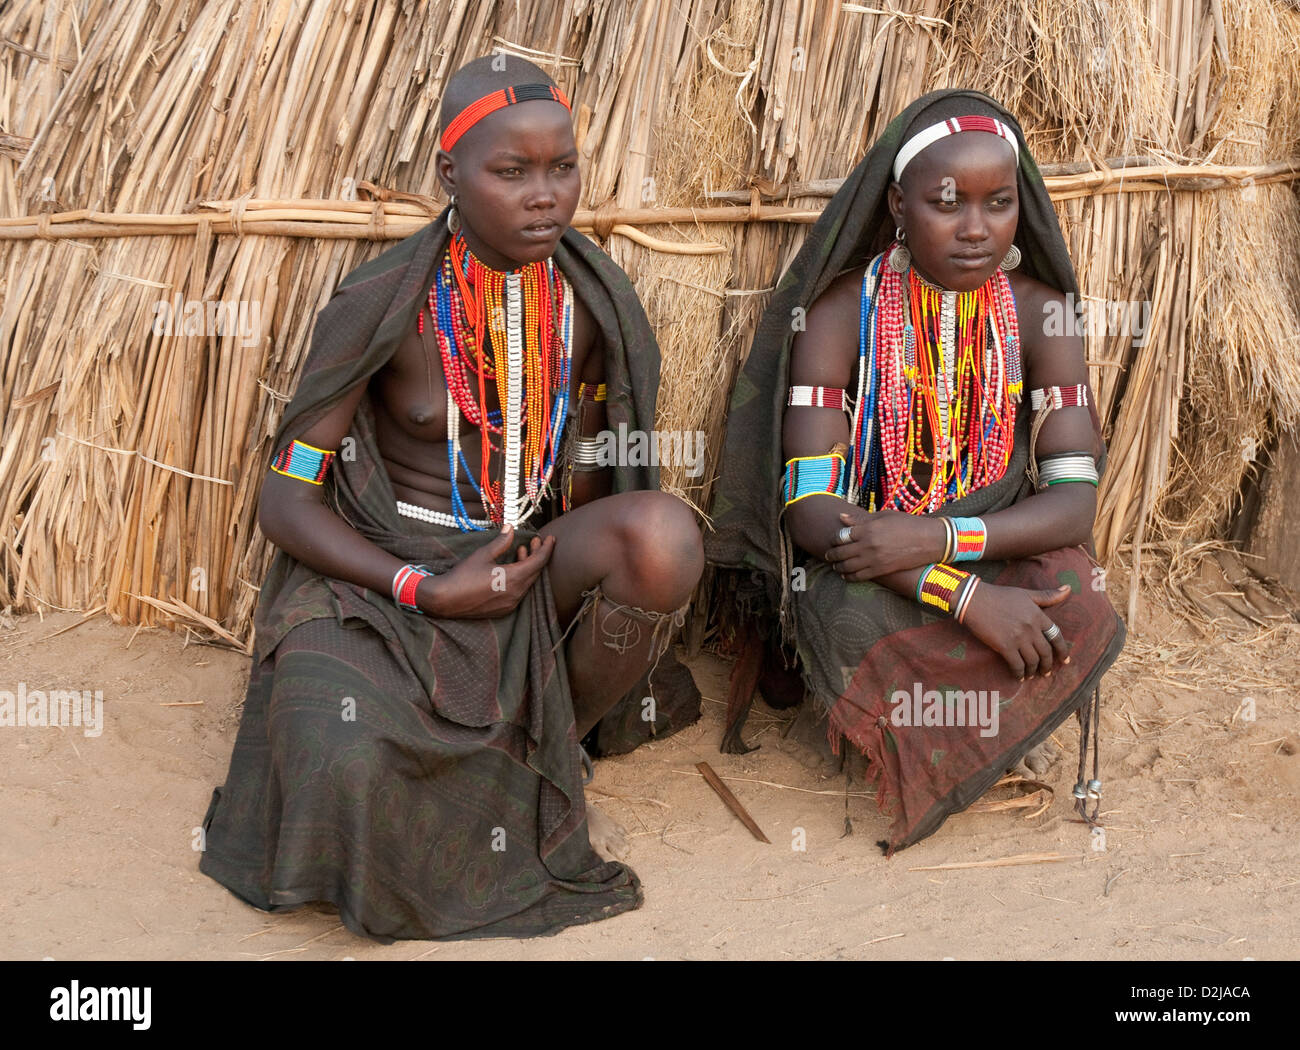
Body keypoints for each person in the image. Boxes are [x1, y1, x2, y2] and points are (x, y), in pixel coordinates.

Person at [199, 54, 705, 941]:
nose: (545, 196)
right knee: (340, 759)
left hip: (516, 569)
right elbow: (285, 506)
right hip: (379, 584)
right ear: (450, 173)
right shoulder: (382, 301)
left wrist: (529, 573)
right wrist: (424, 589)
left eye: (562, 169)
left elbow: (592, 489)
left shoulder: (592, 307)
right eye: (512, 173)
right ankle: (487, 748)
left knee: (663, 537)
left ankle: (553, 748)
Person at [707, 89, 1126, 853]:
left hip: (982, 539)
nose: (976, 229)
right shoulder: (840, 314)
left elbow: (1072, 507)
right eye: (946, 203)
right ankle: (971, 734)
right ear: (898, 204)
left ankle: (978, 733)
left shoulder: (1040, 314)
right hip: (870, 560)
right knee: (846, 618)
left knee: (1083, 604)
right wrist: (959, 596)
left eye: (998, 203)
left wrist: (937, 540)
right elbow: (810, 512)